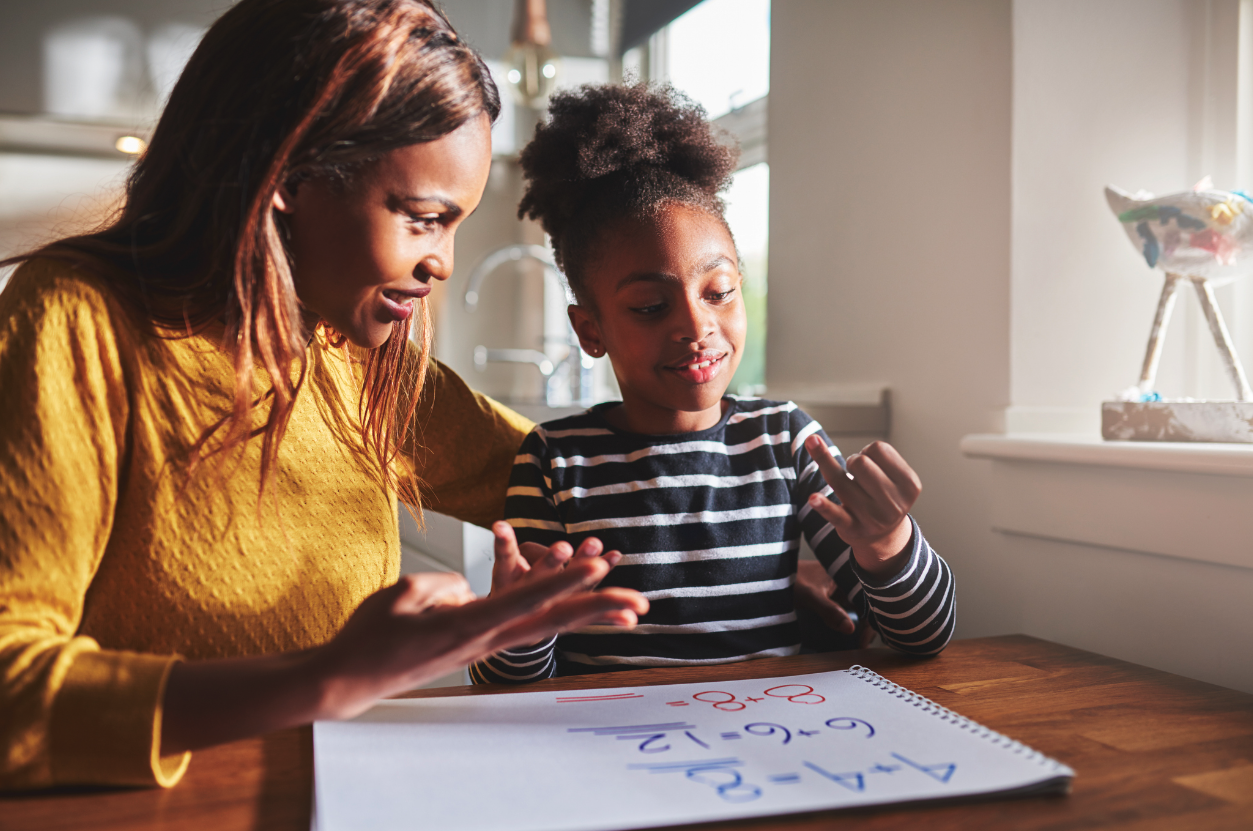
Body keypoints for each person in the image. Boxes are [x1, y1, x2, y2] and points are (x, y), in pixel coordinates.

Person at [0, 0, 648, 791]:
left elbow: (588, 484)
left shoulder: (359, 354)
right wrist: (327, 677)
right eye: (421, 219)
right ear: (291, 175)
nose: (441, 262)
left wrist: (806, 538)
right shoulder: (77, 318)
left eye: (453, 227)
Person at [472, 84, 955, 684]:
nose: (697, 327)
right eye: (650, 306)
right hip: (611, 747)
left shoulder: (784, 439)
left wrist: (888, 545)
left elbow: (923, 636)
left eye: (719, 292)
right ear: (590, 329)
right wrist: (520, 625)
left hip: (765, 742)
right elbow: (502, 684)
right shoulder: (552, 458)